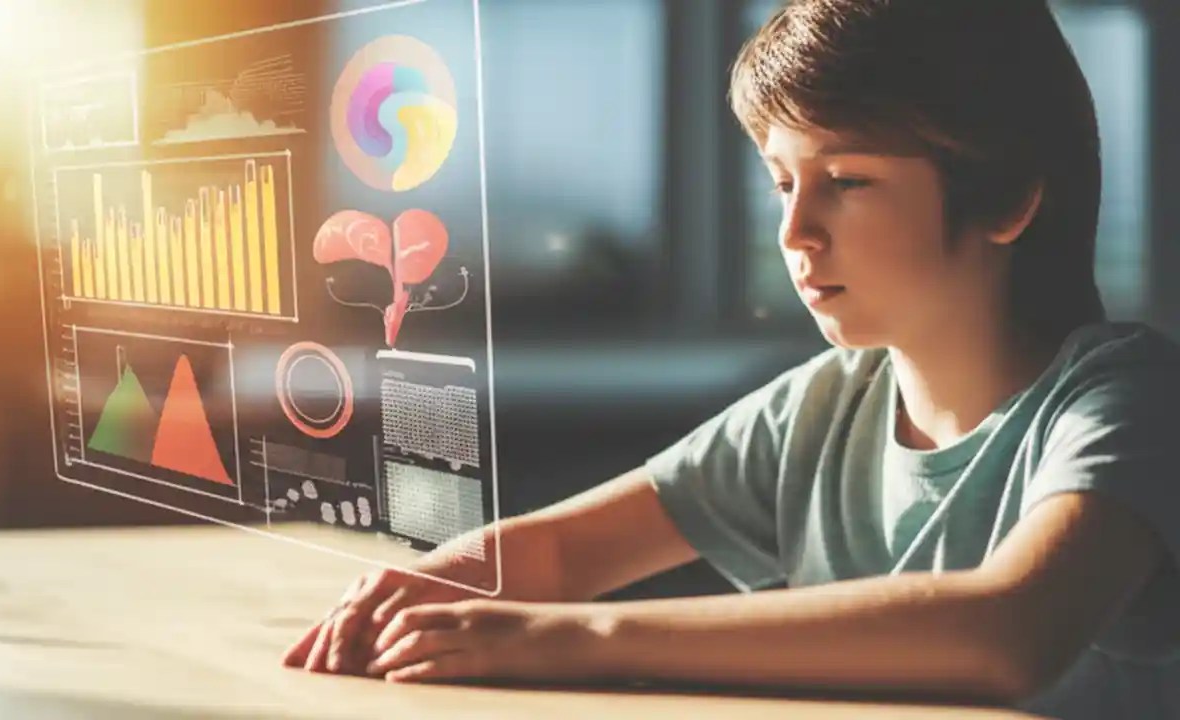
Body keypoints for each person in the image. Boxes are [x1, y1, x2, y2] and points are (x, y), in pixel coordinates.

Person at [284, 1, 1180, 715]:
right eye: (783, 181)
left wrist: (571, 641)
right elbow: (559, 558)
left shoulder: (1125, 404)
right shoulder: (821, 410)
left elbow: (1006, 633)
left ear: (1009, 198)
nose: (796, 232)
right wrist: (418, 593)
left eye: (848, 181)